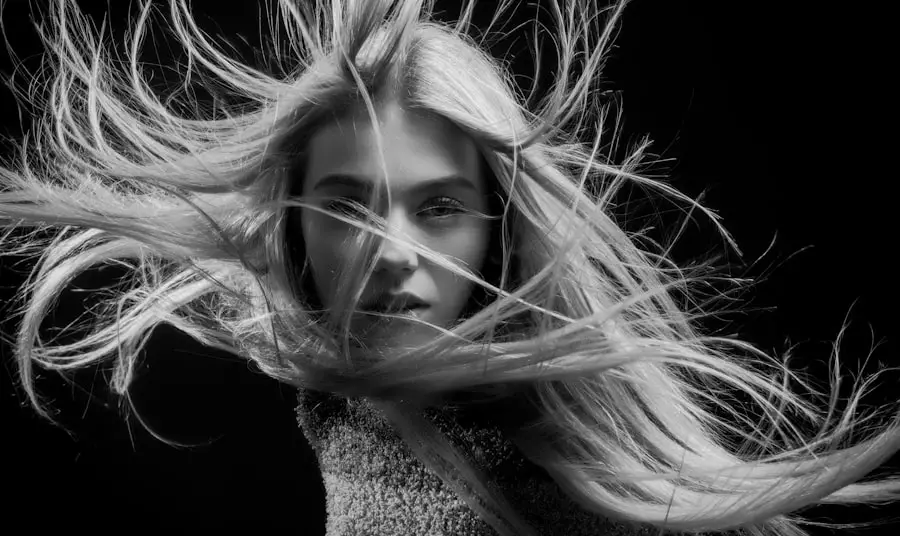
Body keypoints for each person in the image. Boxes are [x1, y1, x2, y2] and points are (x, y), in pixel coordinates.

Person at [1, 0, 897, 534]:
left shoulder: (583, 478)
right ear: (292, 230)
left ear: (499, 231)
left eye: (438, 208)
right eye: (347, 207)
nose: (394, 254)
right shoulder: (363, 445)